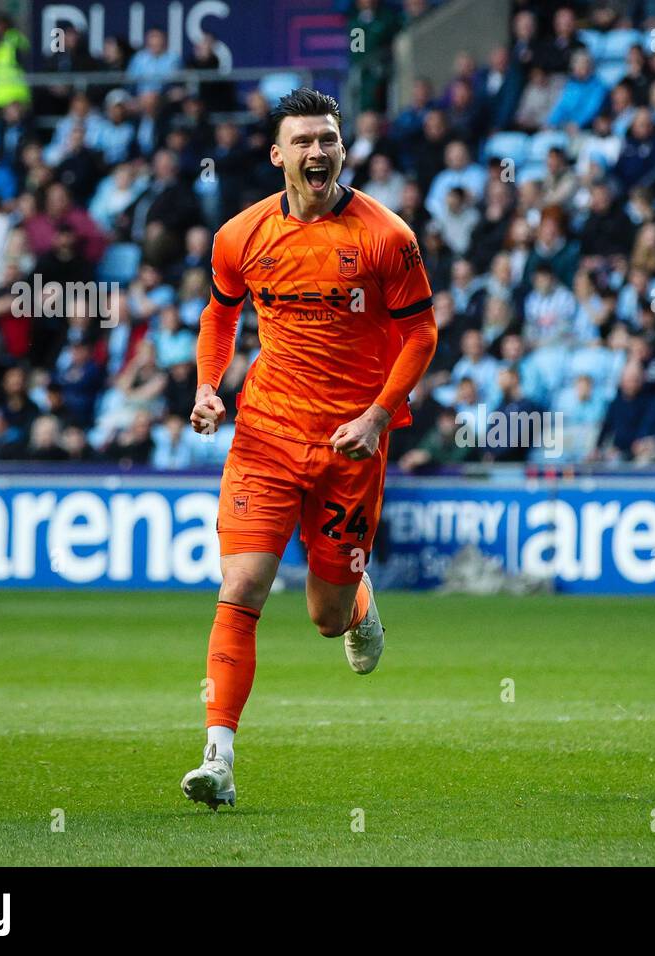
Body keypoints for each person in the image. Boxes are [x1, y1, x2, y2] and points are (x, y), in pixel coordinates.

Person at [181, 89, 438, 809]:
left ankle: (360, 604)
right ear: (278, 154)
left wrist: (380, 417)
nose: (317, 151)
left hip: (351, 446)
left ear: (342, 149)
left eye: (328, 139)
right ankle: (219, 758)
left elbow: (421, 334)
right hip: (264, 435)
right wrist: (208, 387)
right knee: (241, 589)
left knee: (325, 617)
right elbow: (218, 316)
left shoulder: (388, 237)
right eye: (303, 141)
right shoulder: (240, 235)